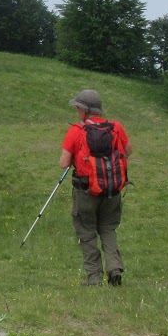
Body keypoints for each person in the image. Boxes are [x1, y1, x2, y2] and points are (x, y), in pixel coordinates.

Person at [58, 88, 131, 286]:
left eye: (78, 108)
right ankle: (114, 268)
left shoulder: (76, 131)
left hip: (86, 191)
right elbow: (129, 151)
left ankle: (94, 278)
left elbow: (63, 163)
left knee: (87, 232)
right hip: (112, 190)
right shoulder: (116, 127)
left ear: (84, 110)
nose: (77, 112)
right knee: (108, 229)